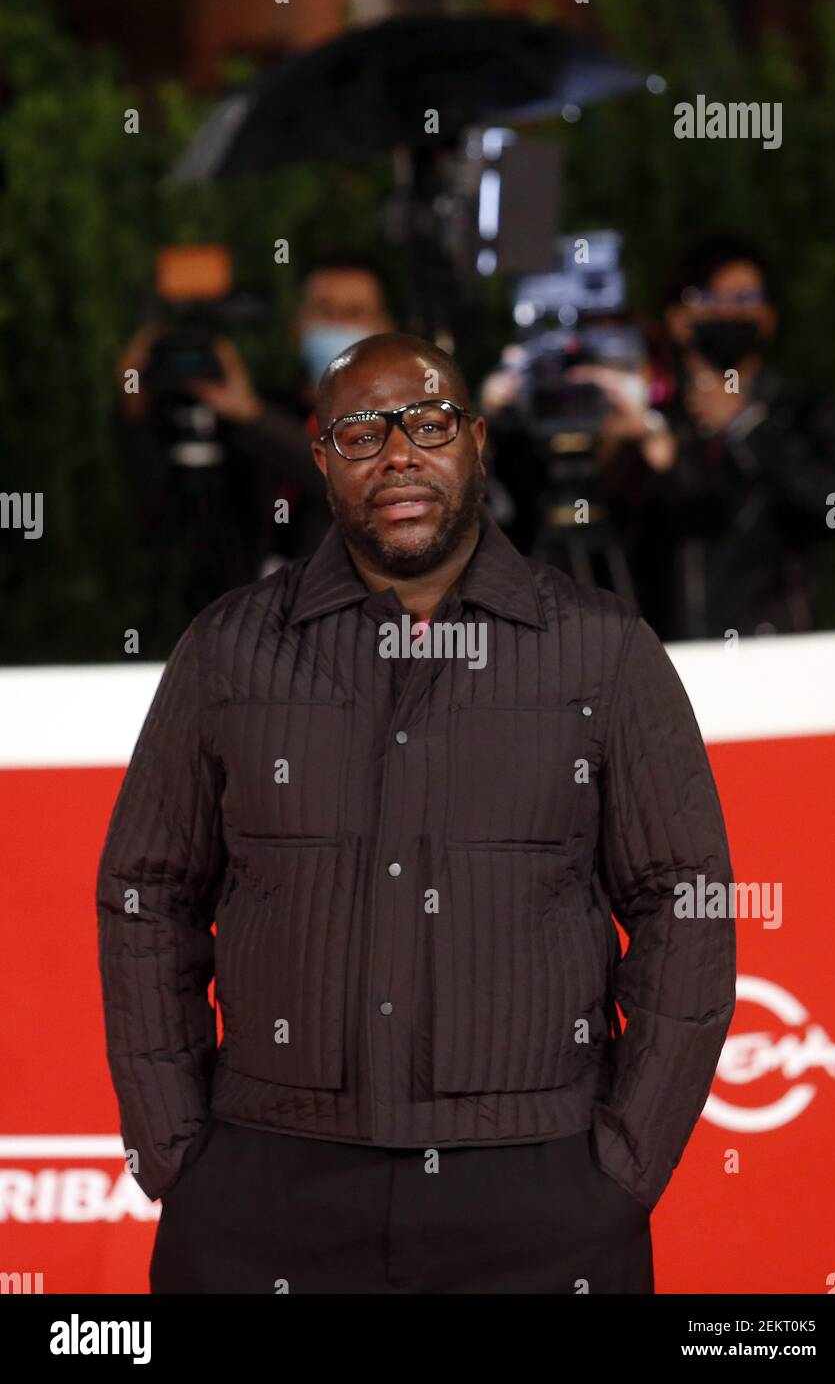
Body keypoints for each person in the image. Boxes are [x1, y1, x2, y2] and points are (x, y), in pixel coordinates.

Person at [96, 332, 736, 1295]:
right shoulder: (228, 653)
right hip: (264, 1193)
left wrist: (625, 1165)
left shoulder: (604, 654)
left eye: (428, 424)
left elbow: (684, 903)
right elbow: (147, 893)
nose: (398, 455)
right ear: (321, 458)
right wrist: (176, 1147)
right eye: (361, 433)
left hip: (540, 1198)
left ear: (476, 441)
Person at [116, 253, 395, 654]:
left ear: (385, 328)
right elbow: (160, 510)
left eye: (353, 313)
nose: (335, 325)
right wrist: (137, 413)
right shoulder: (261, 414)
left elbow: (357, 482)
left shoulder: (409, 428)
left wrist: (253, 418)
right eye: (323, 311)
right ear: (298, 326)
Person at [595, 235, 835, 639]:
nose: (726, 310)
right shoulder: (650, 413)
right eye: (708, 297)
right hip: (663, 656)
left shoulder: (801, 410)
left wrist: (746, 425)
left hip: (780, 652)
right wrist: (619, 446)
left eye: (744, 298)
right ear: (678, 316)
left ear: (769, 315)